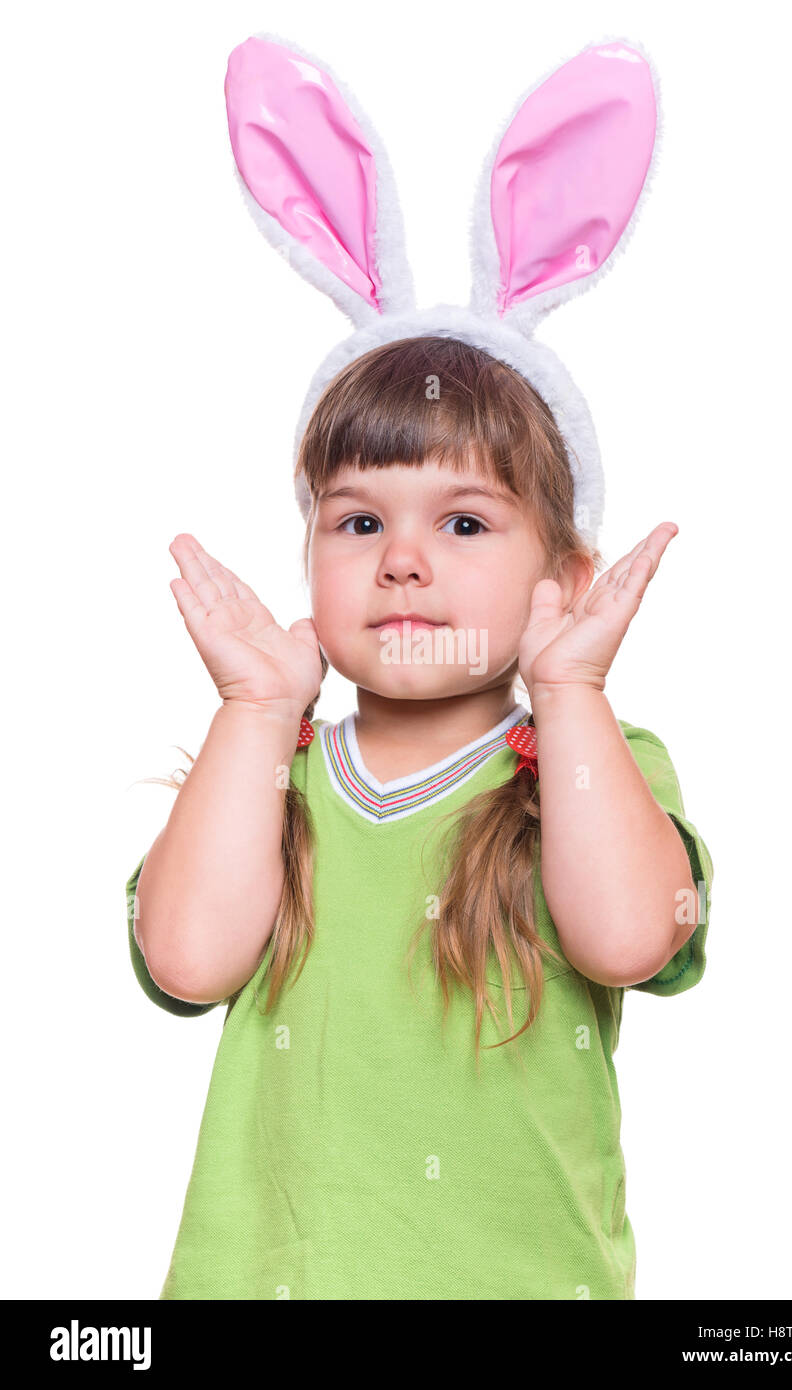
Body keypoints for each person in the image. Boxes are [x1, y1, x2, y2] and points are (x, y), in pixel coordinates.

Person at [125, 38, 713, 1301]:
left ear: (564, 572)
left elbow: (626, 938)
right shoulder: (266, 771)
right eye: (357, 522)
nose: (402, 562)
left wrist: (571, 696)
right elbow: (183, 958)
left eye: (463, 523)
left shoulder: (583, 762)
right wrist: (249, 713)